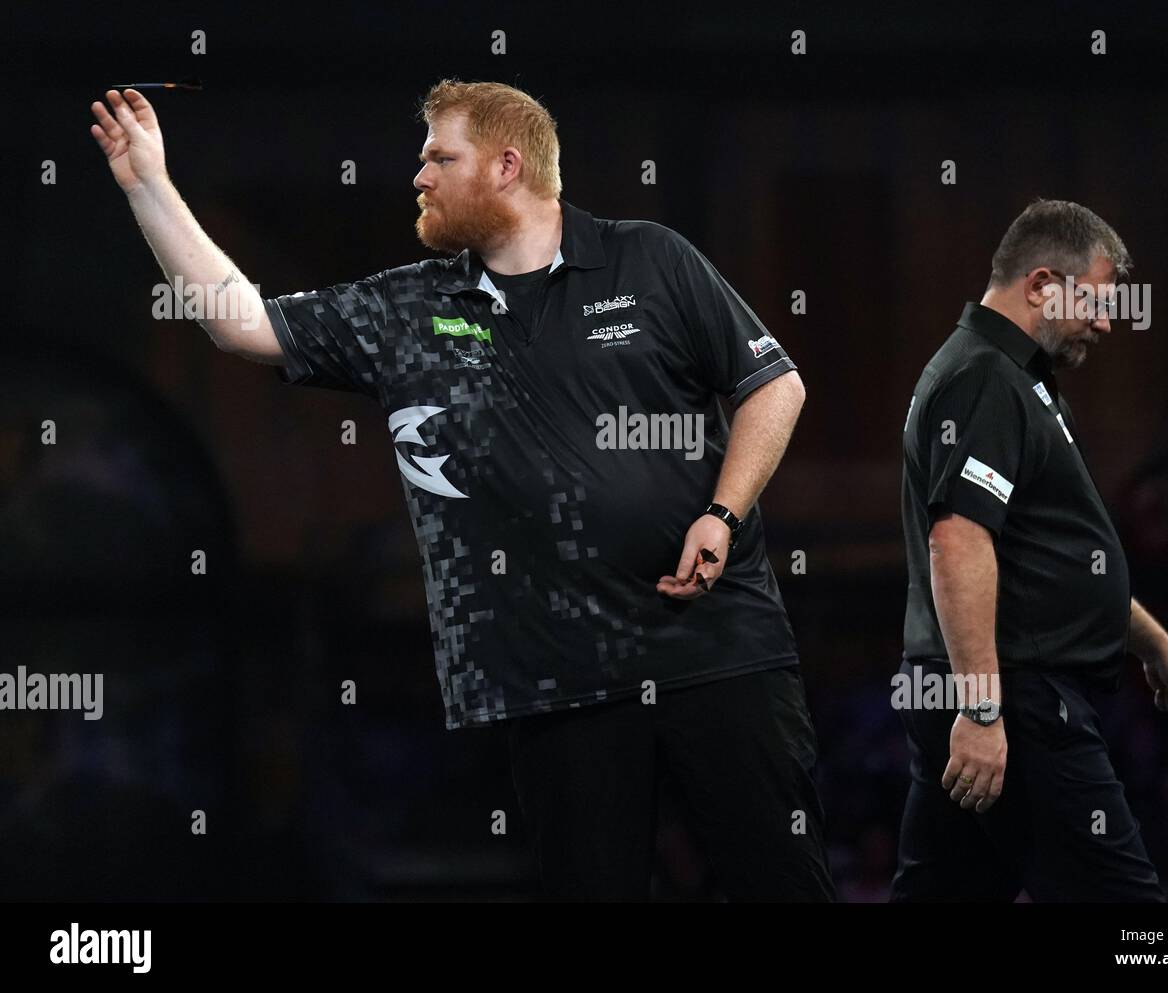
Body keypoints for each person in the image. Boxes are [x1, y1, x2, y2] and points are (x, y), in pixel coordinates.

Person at [90, 80, 834, 901]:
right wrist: (148, 186)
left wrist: (724, 513)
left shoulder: (650, 259)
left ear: (507, 166)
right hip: (557, 682)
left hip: (717, 652)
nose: (420, 176)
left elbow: (774, 384)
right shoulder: (407, 306)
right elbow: (240, 323)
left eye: (441, 158)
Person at [891, 198, 1168, 901]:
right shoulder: (985, 378)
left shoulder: (1018, 379)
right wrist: (983, 710)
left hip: (993, 690)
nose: (1105, 322)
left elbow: (1057, 558)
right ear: (1041, 283)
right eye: (1096, 302)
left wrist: (1154, 646)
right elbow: (960, 540)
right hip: (1018, 696)